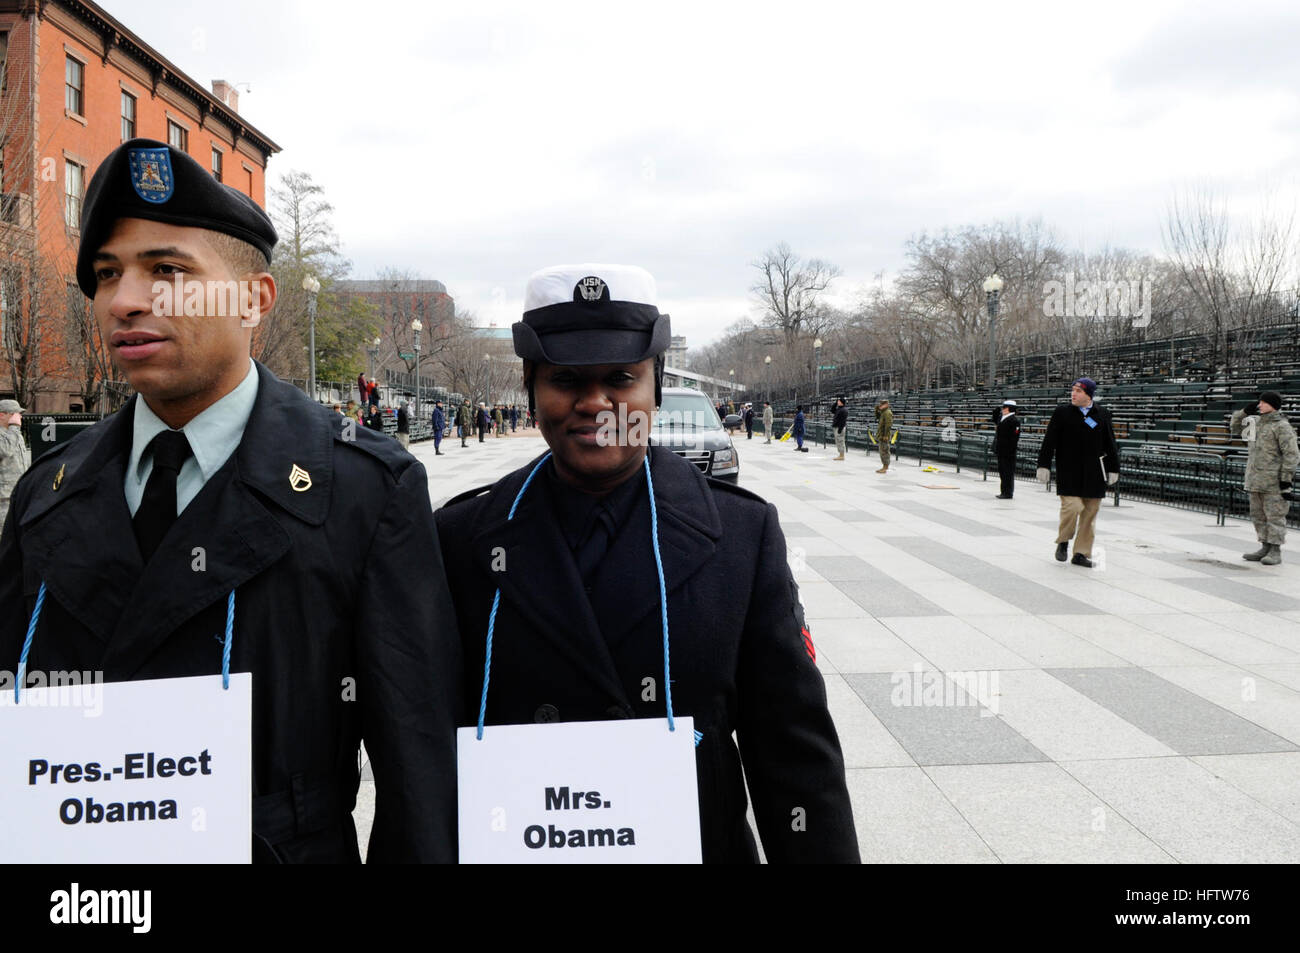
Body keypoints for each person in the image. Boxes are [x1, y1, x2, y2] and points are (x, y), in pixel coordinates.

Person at [0, 138, 460, 862]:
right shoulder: (45, 492)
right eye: (108, 273)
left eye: (167, 270)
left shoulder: (365, 489)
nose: (124, 300)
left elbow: (419, 773)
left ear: (255, 299)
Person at [434, 263, 858, 863]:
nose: (595, 404)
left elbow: (793, 757)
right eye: (565, 380)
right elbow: (425, 752)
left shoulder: (743, 536)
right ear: (530, 387)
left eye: (620, 378)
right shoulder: (459, 538)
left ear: (654, 386)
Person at [1036, 377, 1119, 568]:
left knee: (1090, 514)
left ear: (1089, 395)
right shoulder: (1062, 412)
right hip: (1069, 471)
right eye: (1073, 390)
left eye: (1078, 391)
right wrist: (1043, 465)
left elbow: (1110, 442)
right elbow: (1049, 440)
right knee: (1072, 507)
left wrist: (1114, 468)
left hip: (1094, 472)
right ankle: (1063, 540)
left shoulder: (1102, 414)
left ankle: (1081, 553)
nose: (1073, 394)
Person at [1231, 391, 1298, 565]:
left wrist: (1285, 479)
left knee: (1275, 516)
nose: (1259, 405)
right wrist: (1244, 412)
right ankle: (1265, 546)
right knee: (1258, 516)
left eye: (1263, 402)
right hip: (1255, 479)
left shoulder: (1282, 426)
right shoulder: (1256, 423)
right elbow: (1235, 428)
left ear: (1273, 405)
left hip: (1273, 482)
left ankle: (1275, 550)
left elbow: (1292, 454)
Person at [0, 399, 30, 526]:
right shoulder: (13, 432)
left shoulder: (16, 434)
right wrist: (14, 428)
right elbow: (5, 450)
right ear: (2, 415)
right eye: (14, 414)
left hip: (18, 494)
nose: (19, 417)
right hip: (3, 498)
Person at [993, 399, 1020, 499]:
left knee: (1008, 473)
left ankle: (1008, 493)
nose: (1002, 409)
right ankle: (1003, 491)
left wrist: (1009, 451)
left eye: (1004, 407)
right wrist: (995, 413)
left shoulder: (1014, 421)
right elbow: (996, 421)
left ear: (1008, 409)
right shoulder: (1003, 418)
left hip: (1008, 452)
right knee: (1002, 472)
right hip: (1001, 450)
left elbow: (1014, 438)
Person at [874, 399, 893, 473]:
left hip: (884, 435)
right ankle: (884, 466)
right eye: (880, 404)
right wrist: (877, 410)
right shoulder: (883, 412)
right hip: (881, 434)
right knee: (882, 451)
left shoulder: (887, 412)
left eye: (882, 404)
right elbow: (877, 418)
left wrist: (885, 435)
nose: (880, 406)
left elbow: (888, 425)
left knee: (885, 451)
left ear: (886, 405)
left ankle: (885, 467)